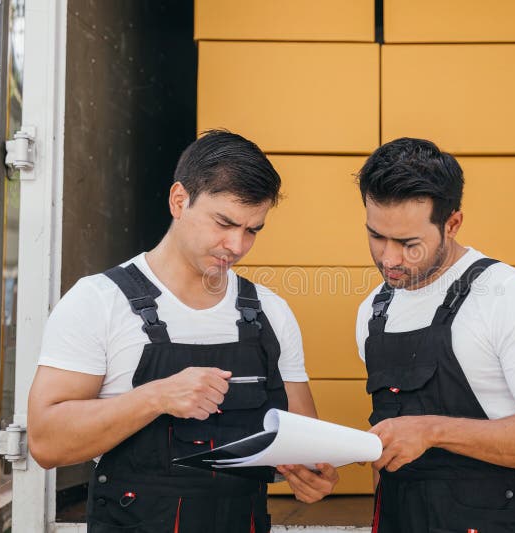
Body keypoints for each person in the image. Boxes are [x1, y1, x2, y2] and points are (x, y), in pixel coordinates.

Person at [28, 130, 338, 532]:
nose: (237, 245)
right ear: (179, 200)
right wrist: (155, 397)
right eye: (224, 223)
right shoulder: (97, 302)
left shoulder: (271, 314)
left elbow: (302, 442)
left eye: (252, 230)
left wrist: (312, 476)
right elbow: (46, 443)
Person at [355, 138, 515, 533]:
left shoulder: (511, 296)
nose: (389, 259)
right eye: (376, 236)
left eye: (409, 244)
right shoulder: (374, 310)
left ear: (452, 223)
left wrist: (432, 431)